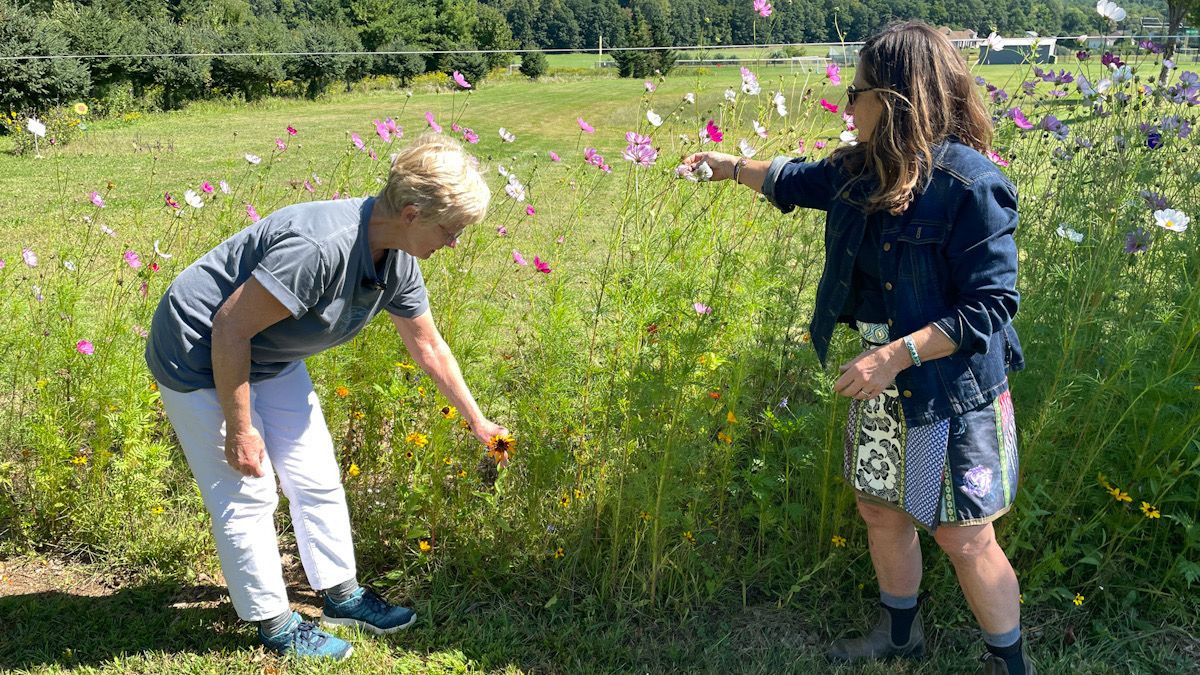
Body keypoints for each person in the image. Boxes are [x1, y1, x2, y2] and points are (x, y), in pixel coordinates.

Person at [682, 21, 1033, 675]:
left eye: (858, 90)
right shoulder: (860, 171)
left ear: (896, 98)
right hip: (883, 377)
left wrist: (894, 356)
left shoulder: (971, 185)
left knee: (963, 533)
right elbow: (792, 181)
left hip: (949, 385)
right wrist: (727, 167)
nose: (848, 104)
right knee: (880, 508)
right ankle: (901, 636)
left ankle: (1010, 663)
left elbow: (991, 305)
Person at [146, 134, 509, 660]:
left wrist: (477, 421)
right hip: (201, 350)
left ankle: (341, 594)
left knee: (316, 473)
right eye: (451, 231)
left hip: (265, 352)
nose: (454, 243)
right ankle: (275, 624)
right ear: (412, 213)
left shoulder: (397, 257)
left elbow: (428, 344)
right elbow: (229, 329)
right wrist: (241, 428)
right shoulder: (318, 248)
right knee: (248, 488)